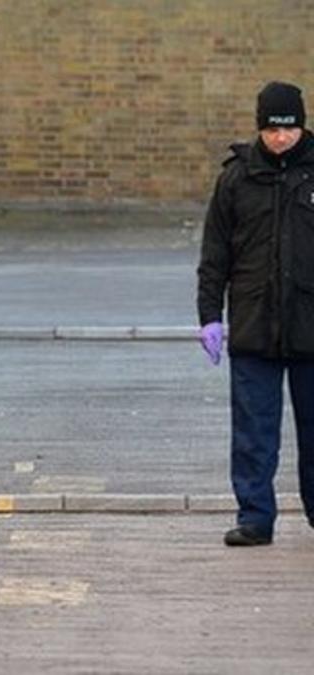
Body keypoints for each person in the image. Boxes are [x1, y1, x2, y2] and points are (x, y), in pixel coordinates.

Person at [197, 81, 314, 547]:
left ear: (302, 124)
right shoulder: (236, 178)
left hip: (311, 328)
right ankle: (255, 517)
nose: (281, 138)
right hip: (253, 326)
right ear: (259, 126)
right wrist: (210, 316)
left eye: (288, 128)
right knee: (253, 433)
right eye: (271, 129)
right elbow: (214, 256)